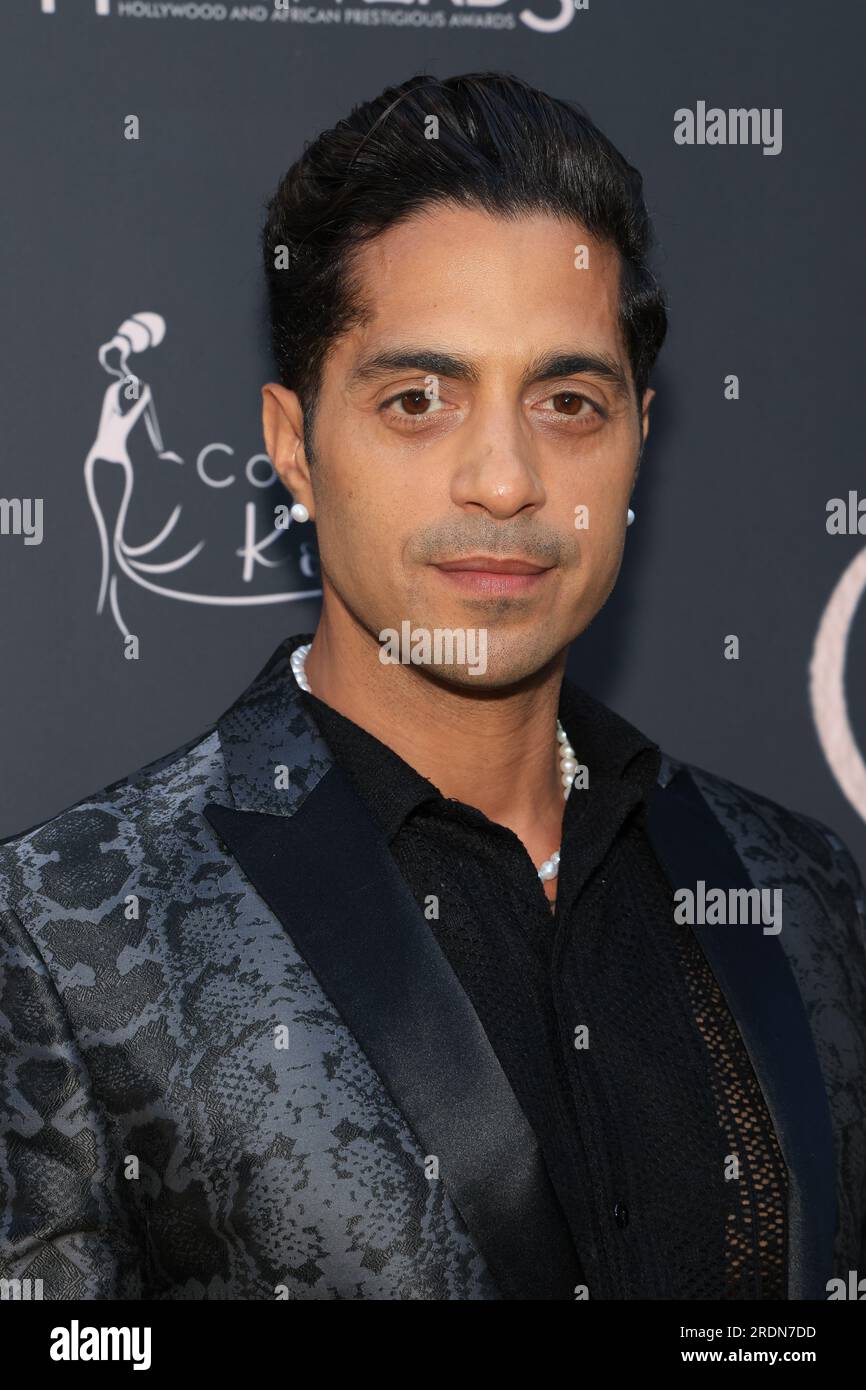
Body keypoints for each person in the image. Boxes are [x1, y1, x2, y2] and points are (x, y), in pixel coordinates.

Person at [1, 71, 864, 1302]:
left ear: (634, 439)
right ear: (293, 444)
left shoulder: (798, 886)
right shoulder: (65, 930)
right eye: (418, 399)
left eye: (567, 401)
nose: (505, 478)